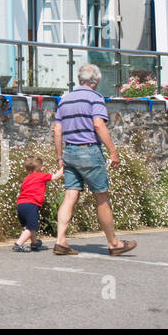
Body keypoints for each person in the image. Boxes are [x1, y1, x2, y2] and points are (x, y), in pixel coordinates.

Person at [52, 63, 137, 257]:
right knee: (101, 197)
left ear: (79, 79)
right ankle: (114, 243)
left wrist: (59, 157)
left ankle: (60, 241)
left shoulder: (65, 99)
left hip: (70, 153)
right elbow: (98, 125)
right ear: (96, 81)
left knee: (70, 196)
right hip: (88, 150)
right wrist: (113, 152)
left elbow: (57, 129)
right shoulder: (95, 98)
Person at [13, 155, 53, 252]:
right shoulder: (42, 175)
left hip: (21, 205)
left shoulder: (26, 179)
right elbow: (55, 176)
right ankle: (18, 244)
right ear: (41, 168)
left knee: (31, 225)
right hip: (31, 204)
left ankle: (34, 243)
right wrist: (64, 167)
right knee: (31, 228)